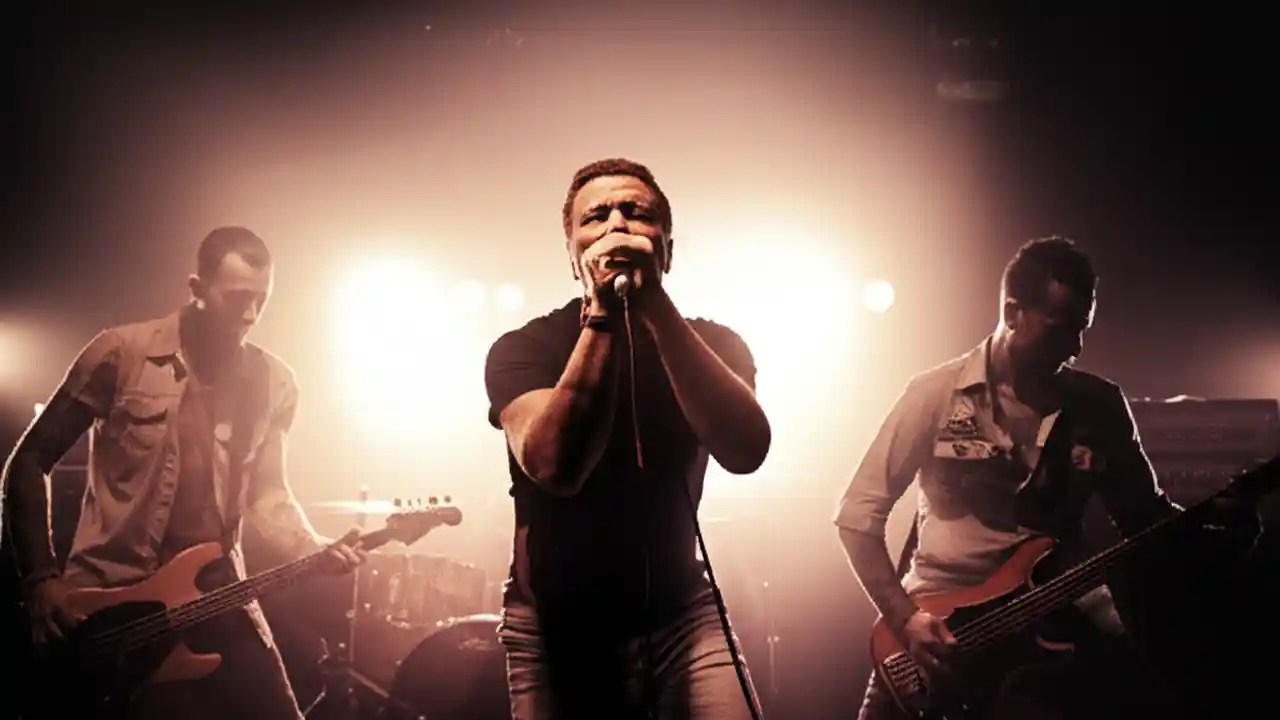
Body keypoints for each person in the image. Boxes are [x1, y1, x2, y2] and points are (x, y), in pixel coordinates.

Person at [833, 236, 1260, 719]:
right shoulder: (933, 394)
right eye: (1060, 330)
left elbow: (1146, 519)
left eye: (1082, 329)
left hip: (1053, 634)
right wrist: (905, 620)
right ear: (1013, 313)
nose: (1075, 346)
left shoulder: (1098, 405)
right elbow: (857, 518)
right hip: (939, 635)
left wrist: (1214, 533)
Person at [1, 226, 364, 720]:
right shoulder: (119, 354)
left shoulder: (273, 382)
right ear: (196, 289)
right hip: (112, 602)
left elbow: (269, 496)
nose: (251, 314)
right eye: (237, 297)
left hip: (218, 595)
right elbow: (27, 462)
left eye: (262, 299)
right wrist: (41, 581)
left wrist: (313, 547)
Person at [483, 158, 772, 719]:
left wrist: (654, 307)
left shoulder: (716, 344)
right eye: (596, 216)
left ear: (666, 248)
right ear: (573, 256)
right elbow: (556, 466)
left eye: (635, 213)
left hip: (680, 613)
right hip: (556, 625)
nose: (617, 224)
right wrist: (604, 314)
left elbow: (747, 451)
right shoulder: (524, 348)